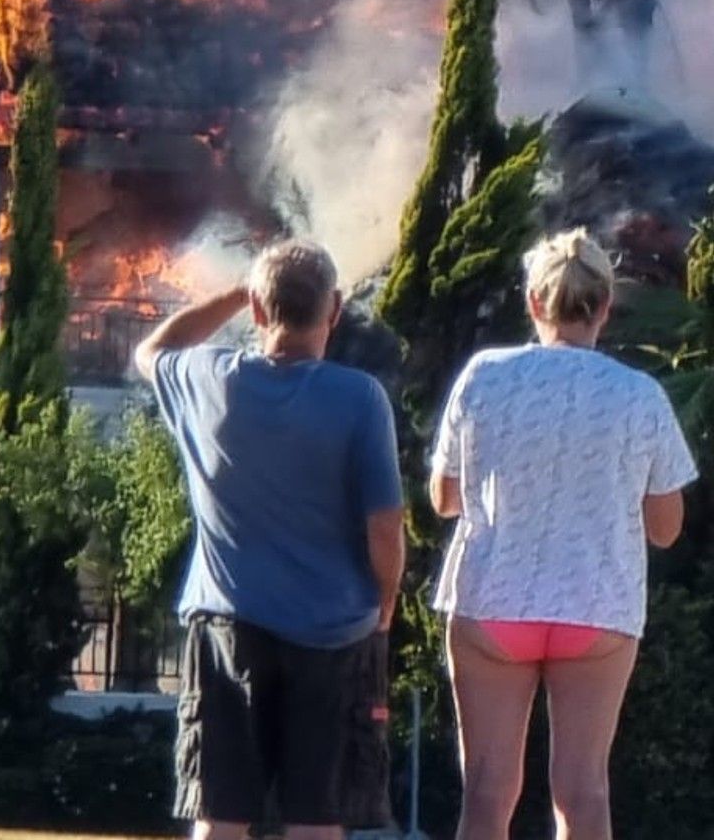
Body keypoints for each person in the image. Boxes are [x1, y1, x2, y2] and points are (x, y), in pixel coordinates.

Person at [431, 228, 698, 840]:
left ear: (533, 303)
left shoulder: (483, 376)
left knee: (488, 794)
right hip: (597, 607)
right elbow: (664, 530)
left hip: (493, 600)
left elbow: (444, 499)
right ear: (606, 306)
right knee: (583, 792)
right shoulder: (641, 397)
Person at [135, 239, 404, 840]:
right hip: (335, 633)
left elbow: (153, 348)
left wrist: (237, 291)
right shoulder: (360, 399)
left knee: (220, 814)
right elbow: (385, 525)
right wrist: (386, 600)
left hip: (229, 626)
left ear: (258, 310)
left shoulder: (207, 381)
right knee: (317, 817)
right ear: (333, 310)